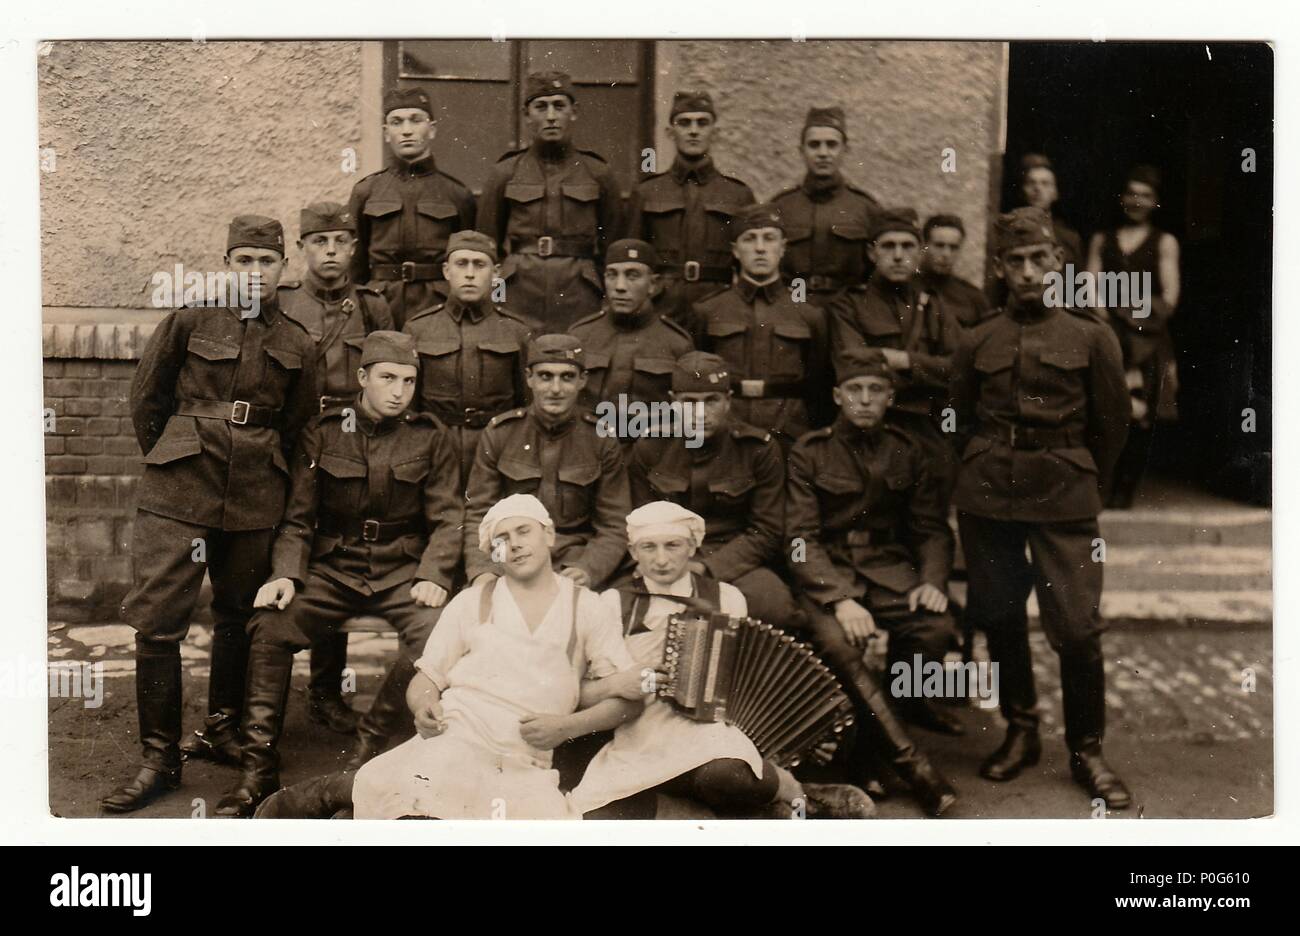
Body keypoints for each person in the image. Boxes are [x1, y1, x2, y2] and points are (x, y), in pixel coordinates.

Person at [100, 215, 318, 813]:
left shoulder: (299, 342)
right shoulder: (191, 321)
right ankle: (158, 760)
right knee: (158, 621)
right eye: (243, 260)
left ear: (283, 269)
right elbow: (147, 396)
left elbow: (298, 433)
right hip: (179, 491)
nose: (254, 273)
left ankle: (223, 729)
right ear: (227, 265)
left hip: (254, 495)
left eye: (266, 262)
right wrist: (173, 454)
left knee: (239, 617)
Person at [254, 495, 640, 820]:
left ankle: (344, 799)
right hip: (458, 735)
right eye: (502, 539)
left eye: (524, 531)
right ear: (493, 554)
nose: (516, 543)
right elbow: (428, 676)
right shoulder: (473, 602)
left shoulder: (586, 607)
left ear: (549, 535)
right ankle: (317, 797)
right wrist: (424, 706)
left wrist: (566, 727)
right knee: (419, 802)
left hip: (523, 756)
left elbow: (627, 700)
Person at [213, 332, 462, 816]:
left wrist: (433, 572)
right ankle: (257, 768)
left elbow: (449, 518)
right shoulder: (324, 430)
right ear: (363, 378)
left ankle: (370, 752)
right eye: (388, 378)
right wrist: (286, 573)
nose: (399, 391)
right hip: (334, 568)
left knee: (435, 635)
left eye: (409, 381)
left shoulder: (432, 436)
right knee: (269, 626)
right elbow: (299, 518)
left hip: (400, 571)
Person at [950, 207, 1132, 808]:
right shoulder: (978, 338)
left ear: (1058, 264)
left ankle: (1087, 749)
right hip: (989, 497)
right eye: (1016, 262)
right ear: (1000, 268)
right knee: (999, 617)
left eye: (1039, 260)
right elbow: (959, 418)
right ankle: (1020, 731)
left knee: (1078, 627)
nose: (1028, 272)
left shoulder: (1090, 335)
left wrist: (1085, 481)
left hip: (1064, 497)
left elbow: (1113, 424)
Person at [568, 502, 874, 820]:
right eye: (648, 547)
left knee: (726, 775)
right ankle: (719, 805)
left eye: (672, 545)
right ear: (633, 551)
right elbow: (584, 689)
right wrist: (619, 683)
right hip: (640, 734)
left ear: (693, 546)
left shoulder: (726, 597)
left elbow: (744, 678)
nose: (661, 559)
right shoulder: (615, 602)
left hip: (709, 731)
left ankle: (792, 791)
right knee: (596, 816)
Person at [787, 348, 966, 747]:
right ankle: (858, 739)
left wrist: (933, 582)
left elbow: (931, 528)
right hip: (831, 572)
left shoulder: (907, 449)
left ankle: (905, 710)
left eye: (875, 390)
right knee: (837, 641)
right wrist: (838, 599)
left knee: (933, 627)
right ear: (837, 396)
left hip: (888, 568)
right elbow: (800, 539)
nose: (864, 399)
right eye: (854, 389)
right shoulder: (810, 452)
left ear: (890, 397)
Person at [279, 200, 395, 737]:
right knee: (292, 555)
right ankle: (271, 694)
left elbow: (390, 370)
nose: (330, 252)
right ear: (303, 249)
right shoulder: (282, 306)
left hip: (352, 446)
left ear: (354, 247)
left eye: (340, 242)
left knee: (339, 555)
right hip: (297, 444)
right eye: (318, 242)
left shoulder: (371, 307)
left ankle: (327, 691)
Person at [626, 351, 794, 627]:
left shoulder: (757, 449)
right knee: (626, 609)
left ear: (728, 401)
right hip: (663, 554)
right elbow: (640, 520)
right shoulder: (651, 446)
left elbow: (766, 531)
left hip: (733, 559)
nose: (700, 413)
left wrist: (706, 567)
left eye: (711, 401)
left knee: (776, 607)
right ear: (672, 402)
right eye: (689, 402)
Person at [462, 334, 632, 592]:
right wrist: (486, 571)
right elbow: (479, 515)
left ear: (582, 380)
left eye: (567, 377)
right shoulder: (500, 433)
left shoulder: (601, 438)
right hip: (509, 559)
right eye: (545, 376)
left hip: (574, 561)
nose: (555, 389)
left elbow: (614, 523)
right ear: (529, 377)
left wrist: (589, 569)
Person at [828, 207, 966, 505]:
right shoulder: (849, 305)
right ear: (871, 253)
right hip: (871, 428)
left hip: (924, 431)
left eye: (908, 246)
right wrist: (927, 373)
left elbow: (960, 369)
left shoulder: (933, 306)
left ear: (919, 252)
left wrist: (903, 360)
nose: (899, 255)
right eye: (888, 246)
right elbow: (853, 365)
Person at [476, 70, 623, 332]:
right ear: (527, 115)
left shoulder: (598, 172)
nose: (551, 116)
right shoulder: (506, 172)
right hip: (517, 290)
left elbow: (613, 245)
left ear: (574, 111)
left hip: (580, 291)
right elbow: (486, 244)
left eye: (559, 106)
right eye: (541, 107)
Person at [693, 203, 833, 451]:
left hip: (789, 431)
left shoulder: (810, 313)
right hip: (727, 429)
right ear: (735, 251)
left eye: (769, 239)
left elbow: (818, 383)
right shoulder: (708, 310)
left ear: (782, 248)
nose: (760, 248)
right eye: (750, 239)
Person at [402, 230, 533, 484]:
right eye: (461, 264)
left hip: (498, 447)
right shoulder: (418, 329)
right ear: (446, 271)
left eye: (479, 264)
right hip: (436, 447)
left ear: (496, 273)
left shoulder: (516, 331)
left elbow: (526, 405)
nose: (470, 273)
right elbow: (409, 407)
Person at [1085, 164, 1181, 508]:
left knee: (1141, 413)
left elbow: (1169, 297)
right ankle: (1102, 485)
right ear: (1122, 197)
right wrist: (1105, 316)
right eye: (1131, 193)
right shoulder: (1102, 240)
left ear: (1155, 202)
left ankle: (1125, 488)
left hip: (1146, 339)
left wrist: (1128, 314)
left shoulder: (1164, 242)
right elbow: (1090, 284)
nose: (1136, 201)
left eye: (1145, 195)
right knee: (1103, 407)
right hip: (1108, 333)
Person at [625, 90, 755, 328]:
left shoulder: (738, 195)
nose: (693, 130)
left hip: (718, 303)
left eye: (702, 123)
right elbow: (632, 258)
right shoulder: (647, 191)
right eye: (684, 123)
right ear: (670, 132)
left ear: (714, 132)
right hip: (662, 305)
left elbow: (749, 264)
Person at [348, 87, 476, 329]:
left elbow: (470, 258)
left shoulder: (457, 194)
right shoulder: (366, 191)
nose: (406, 130)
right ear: (386, 133)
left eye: (416, 120)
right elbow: (356, 263)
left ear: (432, 129)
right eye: (396, 122)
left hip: (439, 305)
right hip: (380, 303)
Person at [569, 239, 694, 420]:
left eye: (632, 276)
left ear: (653, 284)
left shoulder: (677, 343)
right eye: (612, 275)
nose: (620, 287)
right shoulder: (580, 336)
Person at [772, 106, 882, 308]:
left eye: (831, 145)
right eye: (814, 145)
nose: (823, 153)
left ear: (845, 150)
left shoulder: (866, 208)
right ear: (801, 151)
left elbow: (877, 271)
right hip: (793, 306)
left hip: (849, 310)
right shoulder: (781, 206)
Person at [918, 213, 994, 328]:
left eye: (953, 248)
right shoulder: (906, 288)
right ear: (924, 246)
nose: (946, 254)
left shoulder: (974, 298)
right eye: (939, 245)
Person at [1018, 153, 1084, 271]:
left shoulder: (1069, 238)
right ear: (1023, 190)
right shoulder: (1011, 230)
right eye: (1031, 183)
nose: (1037, 188)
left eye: (1045, 183)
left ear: (1055, 193)